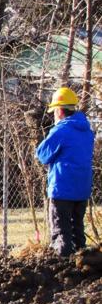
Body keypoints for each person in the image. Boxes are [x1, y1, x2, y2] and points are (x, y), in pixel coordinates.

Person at [35, 87, 96, 257]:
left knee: (61, 233)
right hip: (82, 189)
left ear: (60, 111)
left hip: (62, 189)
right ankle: (83, 263)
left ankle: (63, 266)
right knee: (77, 232)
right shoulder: (87, 132)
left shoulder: (61, 130)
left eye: (54, 111)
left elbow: (42, 155)